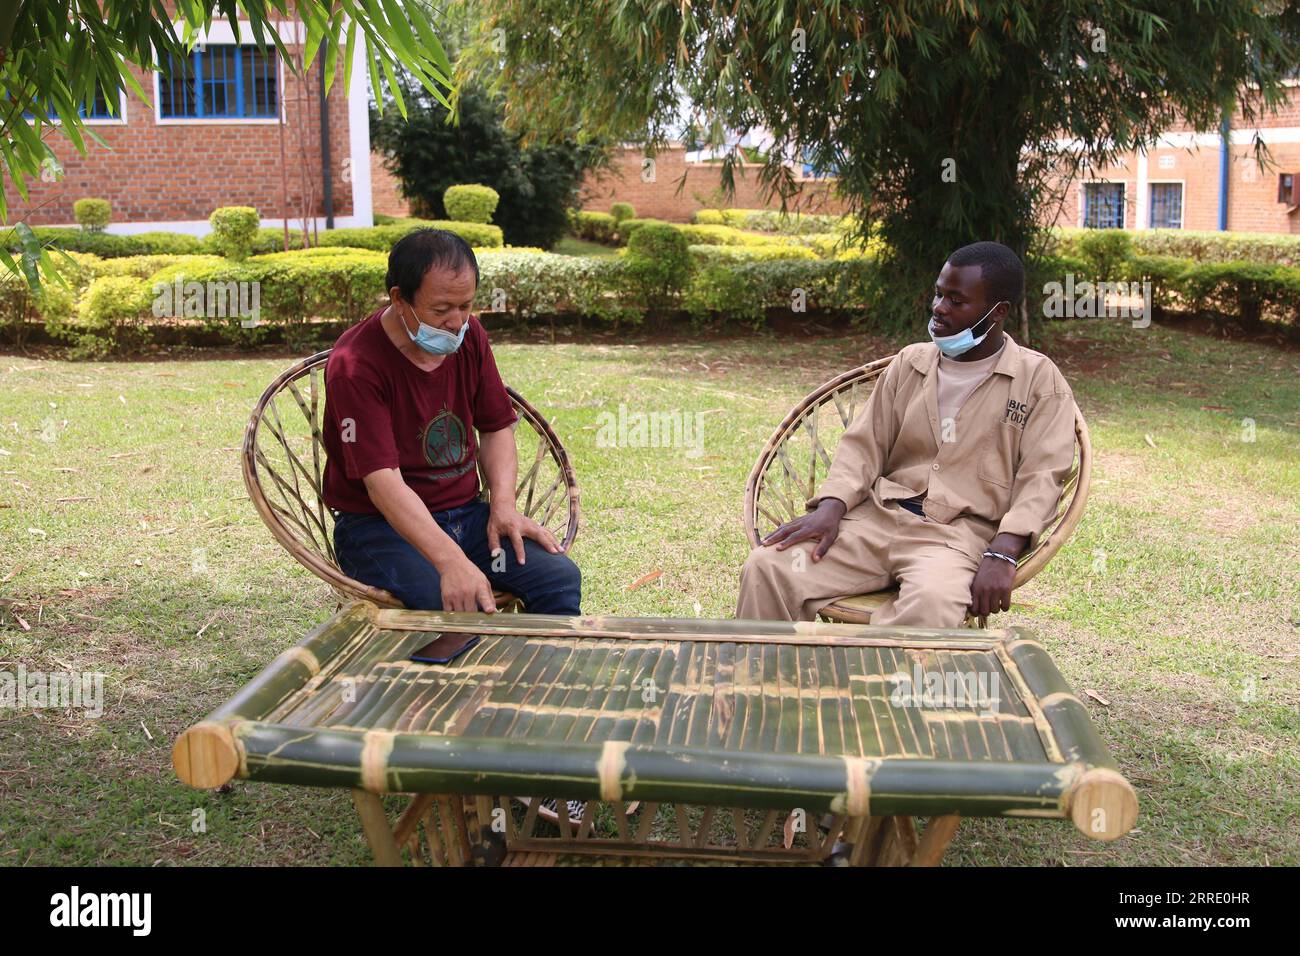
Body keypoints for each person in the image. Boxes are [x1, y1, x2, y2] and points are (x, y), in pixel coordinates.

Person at [737, 241, 1077, 627]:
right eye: (938, 293)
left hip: (953, 540)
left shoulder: (1037, 380)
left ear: (997, 312)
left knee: (931, 605)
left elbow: (1043, 475)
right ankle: (764, 683)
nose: (939, 308)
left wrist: (1004, 551)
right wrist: (832, 507)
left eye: (956, 300)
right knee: (768, 567)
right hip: (874, 520)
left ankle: (876, 686)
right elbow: (865, 445)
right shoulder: (909, 363)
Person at [321, 228, 581, 614]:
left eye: (466, 306)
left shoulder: (470, 335)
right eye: (441, 310)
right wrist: (450, 561)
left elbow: (495, 427)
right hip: (379, 529)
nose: (456, 322)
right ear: (399, 299)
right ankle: (444, 674)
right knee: (446, 601)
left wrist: (503, 506)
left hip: (467, 518)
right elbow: (382, 484)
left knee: (557, 578)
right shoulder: (356, 365)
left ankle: (538, 672)